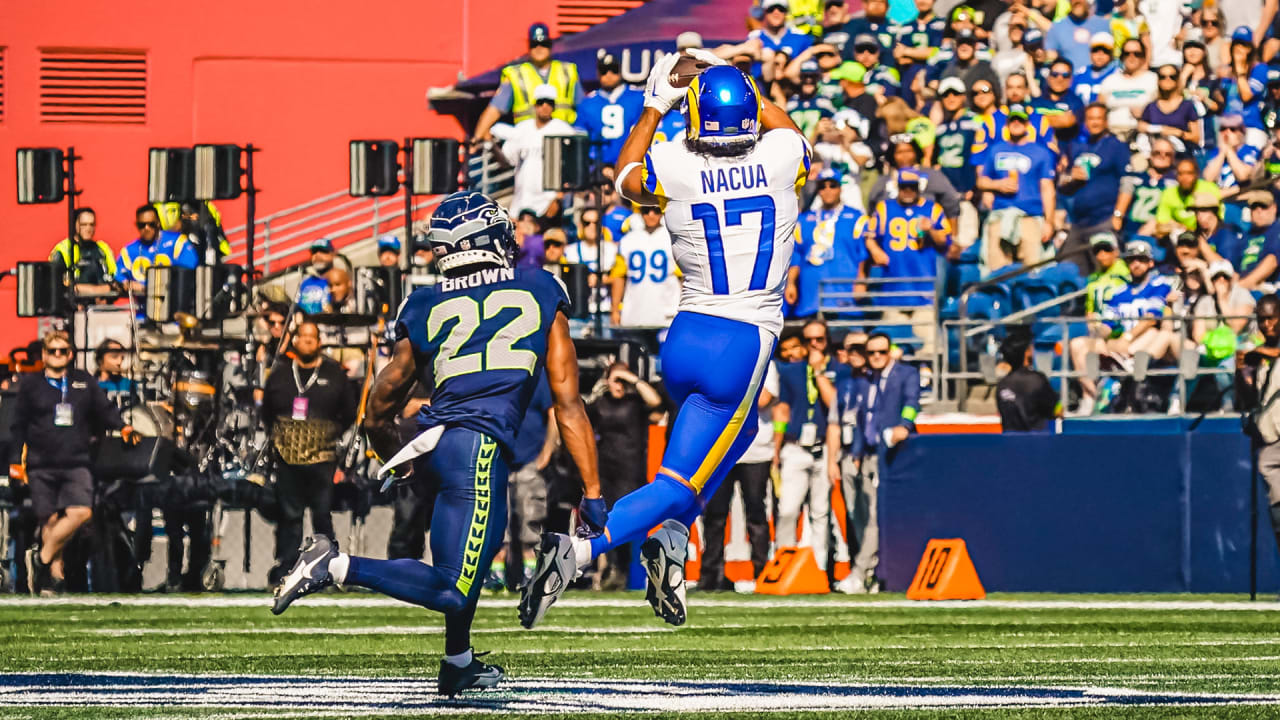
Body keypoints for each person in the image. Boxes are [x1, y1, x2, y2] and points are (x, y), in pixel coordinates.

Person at [270, 191, 607, 696]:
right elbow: (569, 403)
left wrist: (392, 456)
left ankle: (459, 662)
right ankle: (334, 564)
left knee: (468, 559)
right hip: (479, 447)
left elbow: (380, 404)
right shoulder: (539, 287)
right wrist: (594, 492)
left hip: (430, 440)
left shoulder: (425, 301)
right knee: (454, 585)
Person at [523, 56, 807, 628]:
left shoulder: (676, 165)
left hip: (684, 336)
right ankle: (581, 551)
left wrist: (657, 103)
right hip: (742, 341)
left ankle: (672, 542)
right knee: (678, 484)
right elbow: (787, 129)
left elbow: (626, 174)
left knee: (737, 434)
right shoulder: (781, 159)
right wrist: (732, 75)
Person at [12, 331, 135, 595]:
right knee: (50, 519)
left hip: (76, 461)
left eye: (63, 350)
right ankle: (52, 579)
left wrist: (123, 427)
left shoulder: (83, 382)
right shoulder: (31, 385)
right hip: (41, 463)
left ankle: (41, 560)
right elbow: (18, 425)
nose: (58, 355)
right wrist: (14, 460)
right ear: (44, 355)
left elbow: (104, 410)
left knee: (82, 512)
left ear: (70, 354)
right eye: (53, 351)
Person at [261, 322, 357, 587]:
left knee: (321, 515)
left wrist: (330, 435)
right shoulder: (280, 374)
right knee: (289, 516)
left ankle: (327, 568)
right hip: (286, 455)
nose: (306, 341)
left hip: (322, 458)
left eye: (311, 337)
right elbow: (267, 413)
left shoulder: (333, 374)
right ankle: (287, 566)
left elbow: (349, 413)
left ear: (319, 341)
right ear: (295, 341)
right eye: (302, 337)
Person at [846, 330, 919, 592]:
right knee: (862, 516)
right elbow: (861, 419)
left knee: (876, 517)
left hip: (891, 453)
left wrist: (905, 425)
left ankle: (860, 570)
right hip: (867, 452)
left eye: (882, 352)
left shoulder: (906, 374)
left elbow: (912, 402)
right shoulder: (865, 380)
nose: (877, 357)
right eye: (872, 353)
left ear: (890, 352)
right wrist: (856, 452)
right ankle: (872, 571)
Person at [586, 362, 665, 590]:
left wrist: (633, 380)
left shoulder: (636, 403)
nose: (618, 386)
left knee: (633, 525)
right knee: (607, 523)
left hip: (631, 473)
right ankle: (613, 571)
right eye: (615, 380)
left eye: (623, 381)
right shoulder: (601, 404)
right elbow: (581, 410)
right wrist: (601, 385)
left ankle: (637, 575)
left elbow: (656, 402)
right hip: (606, 472)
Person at [773, 322, 842, 573]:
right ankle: (784, 565)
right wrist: (776, 451)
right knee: (788, 509)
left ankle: (819, 569)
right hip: (795, 446)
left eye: (820, 339)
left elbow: (835, 404)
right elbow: (783, 410)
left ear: (826, 341)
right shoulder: (791, 371)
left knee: (821, 513)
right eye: (809, 340)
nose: (814, 345)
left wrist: (819, 373)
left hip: (824, 448)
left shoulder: (838, 369)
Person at [867, 168, 951, 353]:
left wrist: (931, 230)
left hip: (924, 289)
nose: (908, 191)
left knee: (929, 347)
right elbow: (869, 236)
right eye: (904, 187)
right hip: (893, 288)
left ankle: (926, 377)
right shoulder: (884, 208)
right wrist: (876, 251)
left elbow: (945, 241)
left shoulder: (933, 209)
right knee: (893, 347)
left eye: (912, 187)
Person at [976, 103, 1057, 271]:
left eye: (1020, 121)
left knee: (1034, 270)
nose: (1016, 124)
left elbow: (1047, 188)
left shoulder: (1040, 152)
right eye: (1013, 120)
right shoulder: (995, 150)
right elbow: (981, 181)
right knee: (996, 272)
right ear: (1007, 124)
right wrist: (997, 184)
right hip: (1000, 216)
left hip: (1029, 217)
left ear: (1027, 124)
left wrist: (1049, 222)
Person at [472, 22, 584, 142]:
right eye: (534, 44)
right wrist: (477, 138)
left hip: (562, 137)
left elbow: (585, 108)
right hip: (527, 139)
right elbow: (495, 109)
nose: (539, 48)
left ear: (551, 45)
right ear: (528, 46)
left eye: (543, 44)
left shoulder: (568, 71)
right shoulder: (516, 74)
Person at [787, 167, 869, 318]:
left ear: (840, 188)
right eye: (822, 186)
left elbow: (862, 254)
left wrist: (861, 280)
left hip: (845, 295)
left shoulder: (857, 218)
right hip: (811, 297)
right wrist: (791, 283)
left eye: (832, 185)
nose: (827, 190)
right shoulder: (804, 221)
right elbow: (796, 256)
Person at [1059, 103, 1130, 274]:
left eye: (1099, 118)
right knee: (1068, 269)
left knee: (1104, 269)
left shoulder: (1116, 146)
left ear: (1106, 121)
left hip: (1104, 219)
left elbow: (1127, 182)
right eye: (1091, 118)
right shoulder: (1077, 147)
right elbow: (1062, 184)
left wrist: (1118, 215)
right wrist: (1071, 177)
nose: (1095, 123)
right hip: (1079, 221)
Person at [827, 331, 870, 593]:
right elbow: (834, 423)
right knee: (854, 515)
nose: (855, 353)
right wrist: (833, 459)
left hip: (869, 454)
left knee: (872, 517)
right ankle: (858, 567)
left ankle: (870, 570)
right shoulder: (844, 383)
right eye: (849, 348)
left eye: (860, 348)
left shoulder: (875, 380)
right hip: (846, 453)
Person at [500, 84, 580, 222]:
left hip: (548, 202)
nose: (545, 106)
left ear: (554, 106)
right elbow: (508, 161)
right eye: (540, 102)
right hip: (521, 200)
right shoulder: (522, 128)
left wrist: (559, 197)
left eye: (549, 103)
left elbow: (573, 167)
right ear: (535, 105)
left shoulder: (563, 129)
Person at [610, 206, 681, 356]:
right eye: (646, 211)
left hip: (666, 311)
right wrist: (615, 309)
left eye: (656, 211)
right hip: (635, 312)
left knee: (665, 361)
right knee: (635, 360)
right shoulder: (629, 240)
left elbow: (682, 277)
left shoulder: (672, 238)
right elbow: (619, 276)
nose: (651, 215)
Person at [575, 53, 645, 166]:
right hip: (598, 168)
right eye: (604, 71)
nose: (609, 74)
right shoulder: (587, 103)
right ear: (597, 74)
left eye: (614, 70)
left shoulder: (638, 98)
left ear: (621, 71)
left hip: (632, 165)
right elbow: (580, 140)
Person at [116, 204, 199, 296]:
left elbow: (187, 272)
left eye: (151, 224)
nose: (146, 228)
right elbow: (119, 277)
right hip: (140, 307)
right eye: (142, 225)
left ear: (158, 223)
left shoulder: (177, 242)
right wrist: (127, 284)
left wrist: (147, 288)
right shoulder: (129, 251)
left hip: (171, 304)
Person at [996, 327, 1060, 432]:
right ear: (1027, 353)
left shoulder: (1002, 385)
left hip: (1010, 445)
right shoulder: (1037, 380)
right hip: (1036, 445)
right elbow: (1057, 410)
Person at [49, 207, 117, 298]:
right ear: (74, 225)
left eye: (92, 225)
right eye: (83, 225)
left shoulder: (103, 249)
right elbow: (55, 284)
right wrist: (95, 290)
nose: (88, 229)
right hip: (74, 307)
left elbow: (117, 280)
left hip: (103, 308)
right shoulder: (63, 250)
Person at [1115, 136, 1176, 237]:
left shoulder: (1175, 183)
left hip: (1159, 235)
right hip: (1129, 232)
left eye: (1168, 154)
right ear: (1151, 155)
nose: (1162, 156)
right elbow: (1119, 213)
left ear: (1173, 158)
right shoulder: (1134, 178)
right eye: (1157, 153)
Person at [1096, 38, 1156, 135]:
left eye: (1137, 54)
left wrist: (1146, 115)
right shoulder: (1110, 81)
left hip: (1141, 134)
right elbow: (1099, 110)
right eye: (1127, 53)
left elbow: (1165, 109)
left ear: (1143, 57)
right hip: (1113, 133)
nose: (1131, 57)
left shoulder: (1153, 80)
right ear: (1122, 57)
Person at [1046, 0, 1111, 71]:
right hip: (1069, 79)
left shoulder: (1103, 24)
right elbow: (1051, 55)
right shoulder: (1057, 27)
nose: (1077, 1)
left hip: (1099, 78)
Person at [1071, 32, 1119, 105]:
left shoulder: (1117, 74)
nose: (1100, 55)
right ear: (1090, 52)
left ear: (1111, 54)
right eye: (1096, 50)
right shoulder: (1079, 74)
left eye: (1105, 51)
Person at [298, 238, 335, 315]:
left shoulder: (338, 280)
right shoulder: (304, 282)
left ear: (332, 254)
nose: (317, 255)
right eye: (314, 252)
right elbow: (297, 308)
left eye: (322, 251)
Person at [94, 339, 134, 409]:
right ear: (100, 359)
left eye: (122, 358)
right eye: (114, 356)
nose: (119, 362)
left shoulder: (129, 384)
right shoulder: (90, 386)